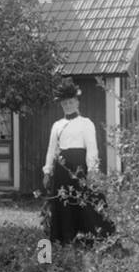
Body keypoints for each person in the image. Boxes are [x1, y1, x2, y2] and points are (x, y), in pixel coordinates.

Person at [43, 79, 104, 244]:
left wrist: (92, 170)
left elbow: (92, 148)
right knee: (63, 202)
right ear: (61, 105)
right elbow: (51, 149)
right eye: (65, 103)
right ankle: (64, 237)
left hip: (80, 168)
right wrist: (47, 171)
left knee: (83, 201)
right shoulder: (57, 125)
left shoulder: (86, 123)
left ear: (77, 102)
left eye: (70, 102)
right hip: (62, 168)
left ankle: (88, 238)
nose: (68, 105)